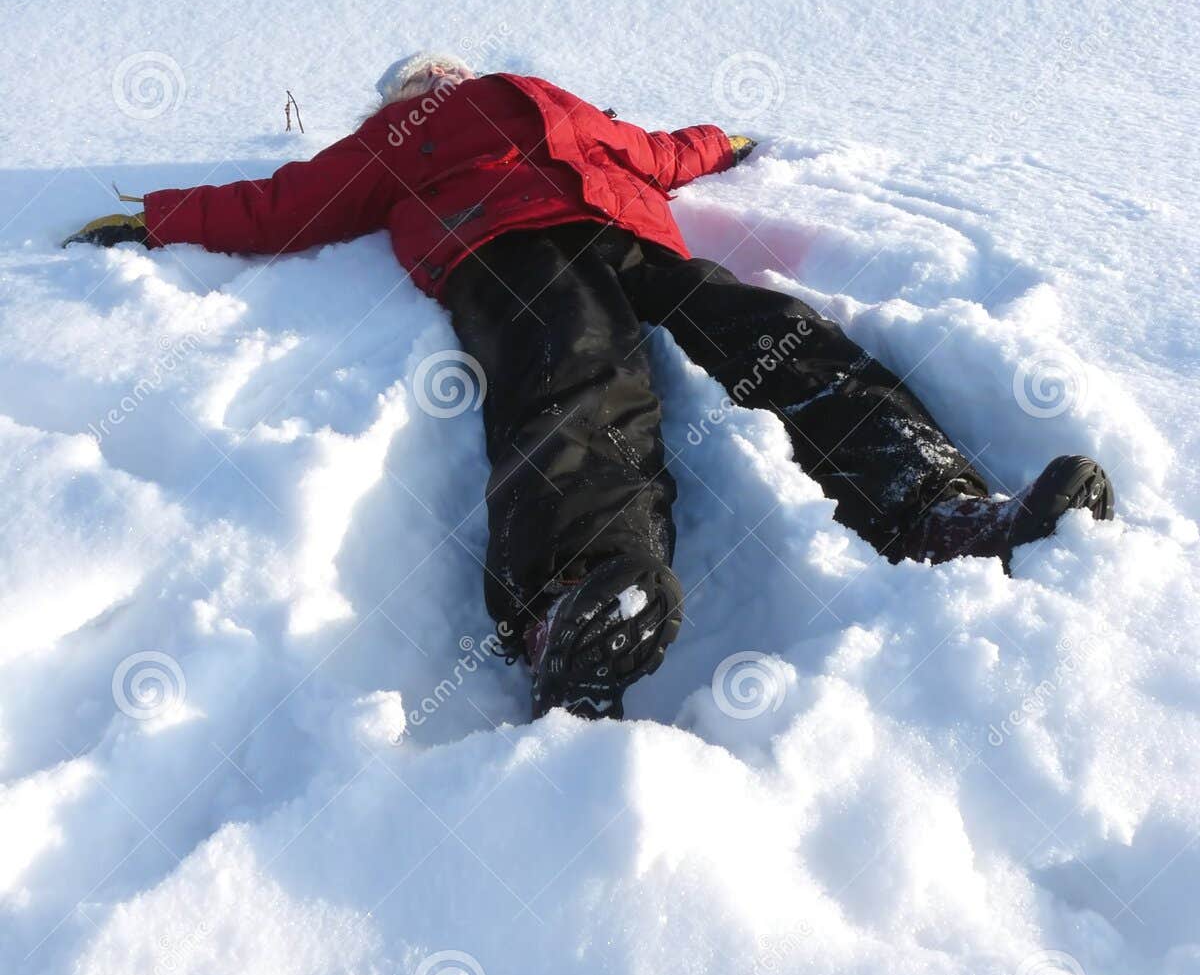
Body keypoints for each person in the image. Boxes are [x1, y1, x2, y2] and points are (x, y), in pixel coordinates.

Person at [65, 52, 1115, 720]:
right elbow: (287, 199)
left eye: (439, 76)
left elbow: (653, 151)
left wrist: (723, 143)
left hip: (629, 234)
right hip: (509, 251)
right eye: (419, 84)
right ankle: (574, 599)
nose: (436, 86)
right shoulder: (403, 139)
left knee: (777, 332)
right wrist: (160, 216)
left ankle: (940, 505)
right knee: (571, 377)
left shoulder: (558, 105)